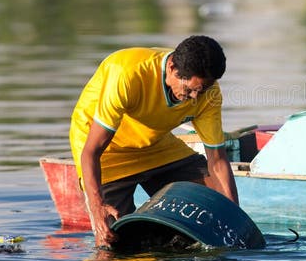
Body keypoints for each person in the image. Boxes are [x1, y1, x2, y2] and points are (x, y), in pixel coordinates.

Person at [70, 35, 238, 248]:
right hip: (107, 152)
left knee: (215, 205)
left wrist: (235, 219)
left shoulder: (208, 94)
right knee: (114, 241)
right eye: (188, 90)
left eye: (201, 90)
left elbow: (217, 159)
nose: (195, 97)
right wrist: (96, 206)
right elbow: (91, 151)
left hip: (155, 144)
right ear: (171, 68)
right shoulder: (128, 74)